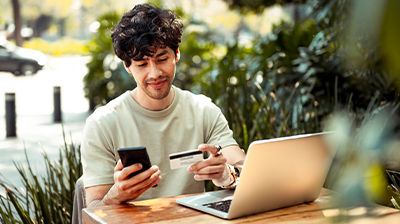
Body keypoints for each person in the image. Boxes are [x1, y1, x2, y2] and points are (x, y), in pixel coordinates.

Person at [81, 3, 246, 208]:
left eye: (162, 59)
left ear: (176, 54)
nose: (155, 73)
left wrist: (228, 175)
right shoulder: (102, 124)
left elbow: (245, 170)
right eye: (142, 64)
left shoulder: (203, 111)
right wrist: (116, 195)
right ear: (127, 66)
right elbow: (92, 211)